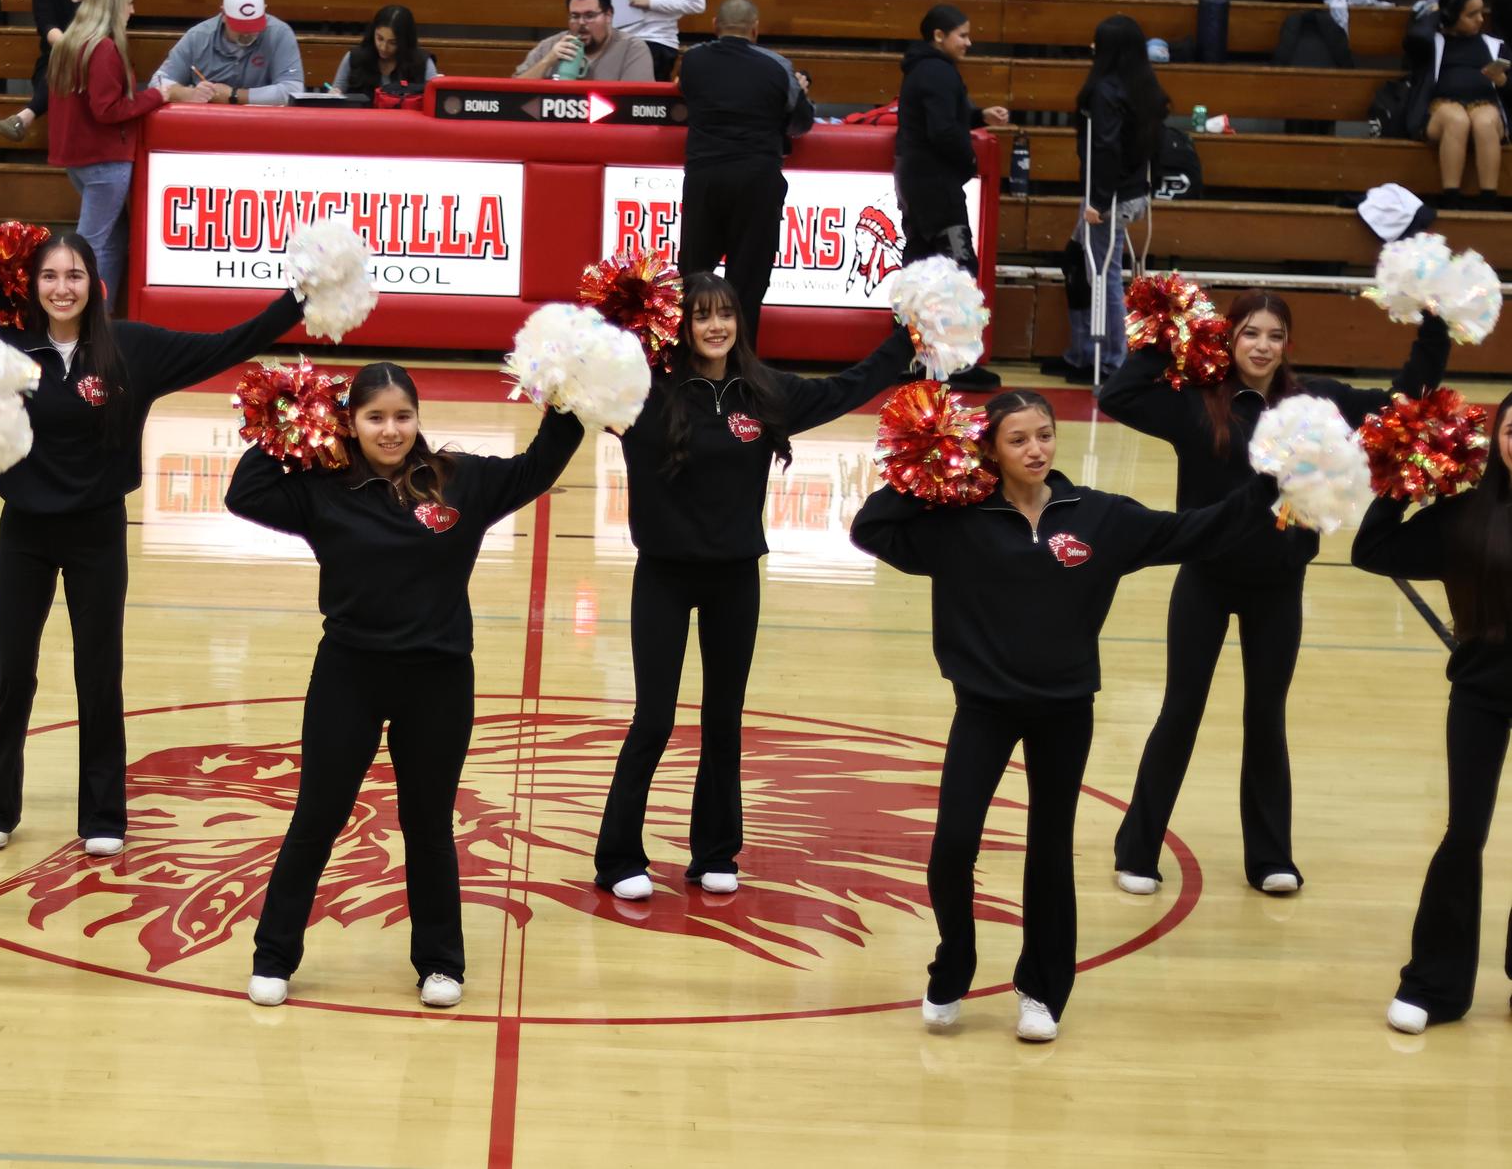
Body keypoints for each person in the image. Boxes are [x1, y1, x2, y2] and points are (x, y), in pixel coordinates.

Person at [851, 389, 1277, 1042]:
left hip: (1065, 709)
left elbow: (1195, 530)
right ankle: (955, 961)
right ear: (988, 449)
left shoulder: (1097, 517)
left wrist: (1270, 486)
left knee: (1049, 850)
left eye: (1044, 435)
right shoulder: (956, 520)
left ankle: (1042, 990)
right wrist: (931, 471)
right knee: (953, 844)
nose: (1036, 449)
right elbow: (870, 528)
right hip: (983, 707)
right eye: (1018, 439)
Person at [0, 235, 305, 856]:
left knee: (99, 674)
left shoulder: (132, 348)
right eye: (47, 277)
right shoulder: (2, 350)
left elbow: (232, 343)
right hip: (24, 532)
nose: (62, 288)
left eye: (74, 275)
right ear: (31, 285)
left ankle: (102, 815)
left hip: (97, 533)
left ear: (96, 282)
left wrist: (296, 299)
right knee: (14, 671)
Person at [223, 364, 586, 1010]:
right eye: (374, 417)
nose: (390, 430)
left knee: (428, 822)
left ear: (418, 418)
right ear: (349, 422)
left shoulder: (460, 480)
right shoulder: (322, 486)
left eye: (402, 416)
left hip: (439, 678)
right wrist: (286, 420)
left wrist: (568, 401)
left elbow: (539, 465)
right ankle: (274, 956)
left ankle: (441, 962)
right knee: (318, 817)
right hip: (349, 675)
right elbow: (245, 493)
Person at [1105, 297, 1452, 898]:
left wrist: (1434, 329)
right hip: (1205, 580)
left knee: (1266, 716)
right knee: (1180, 711)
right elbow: (1118, 397)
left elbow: (1404, 398)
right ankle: (1138, 850)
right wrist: (1162, 334)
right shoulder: (1198, 403)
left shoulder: (1319, 402)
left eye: (1274, 335)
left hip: (1279, 585)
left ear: (1287, 343)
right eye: (1249, 334)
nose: (1262, 346)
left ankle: (1269, 856)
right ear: (1229, 339)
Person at [594, 274, 918, 899]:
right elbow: (568, 388)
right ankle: (618, 858)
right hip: (662, 574)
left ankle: (715, 849)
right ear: (680, 324)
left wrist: (907, 336)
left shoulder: (767, 391)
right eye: (701, 316)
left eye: (726, 314)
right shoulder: (638, 394)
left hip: (736, 576)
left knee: (723, 717)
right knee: (654, 718)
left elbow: (849, 387)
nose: (715, 327)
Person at [1353, 391, 1512, 1034]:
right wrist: (1401, 479)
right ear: (1497, 437)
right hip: (1479, 690)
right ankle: (1436, 984)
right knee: (1463, 833)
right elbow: (1373, 550)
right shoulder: (1463, 515)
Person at [46, 0, 212, 308]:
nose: (133, 10)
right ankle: (66, 317)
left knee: (112, 239)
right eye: (129, 3)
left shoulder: (70, 43)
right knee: (88, 246)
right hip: (105, 160)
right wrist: (157, 96)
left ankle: (98, 320)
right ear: (113, 6)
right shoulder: (104, 48)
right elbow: (107, 110)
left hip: (77, 159)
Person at [676, 0, 813, 355]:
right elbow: (801, 123)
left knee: (694, 272)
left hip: (705, 174)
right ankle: (739, 366)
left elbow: (685, 95)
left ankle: (688, 357)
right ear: (755, 30)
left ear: (715, 26)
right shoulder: (776, 67)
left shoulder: (693, 61)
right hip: (757, 178)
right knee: (748, 279)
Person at [1044, 14, 1166, 386]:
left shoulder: (1106, 91)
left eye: (1098, 42)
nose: (1092, 48)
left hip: (1109, 197)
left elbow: (1105, 148)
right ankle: (1082, 354)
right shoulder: (1145, 88)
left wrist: (1097, 200)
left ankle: (1115, 361)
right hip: (1132, 193)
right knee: (1077, 260)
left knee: (1105, 275)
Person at [895, 5, 1009, 391]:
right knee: (958, 269)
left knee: (920, 267)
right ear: (939, 36)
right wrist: (970, 159)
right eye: (962, 34)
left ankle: (912, 358)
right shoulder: (938, 72)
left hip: (917, 180)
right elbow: (943, 131)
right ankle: (957, 365)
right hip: (935, 183)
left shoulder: (923, 69)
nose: (969, 42)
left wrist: (977, 116)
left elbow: (942, 118)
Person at [1404, 0, 1507, 210]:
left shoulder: (1493, 45)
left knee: (1484, 120)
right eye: (1471, 15)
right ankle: (1451, 197)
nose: (1480, 19)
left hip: (1485, 107)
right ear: (1451, 17)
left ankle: (1489, 198)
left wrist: (1503, 81)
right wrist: (1437, 14)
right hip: (1441, 111)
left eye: (1481, 12)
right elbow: (1415, 35)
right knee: (1457, 119)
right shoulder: (1432, 43)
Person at [147, 0, 304, 107]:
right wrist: (188, 94)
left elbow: (292, 90)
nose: (247, 34)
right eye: (240, 27)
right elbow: (157, 83)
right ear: (223, 15)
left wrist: (233, 95)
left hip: (263, 124)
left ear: (264, 10)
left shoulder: (279, 33)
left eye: (254, 27)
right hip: (207, 124)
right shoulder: (199, 36)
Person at [0, 0, 76, 143]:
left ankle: (24, 118)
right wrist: (71, 50)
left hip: (92, 57)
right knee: (60, 66)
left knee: (67, 68)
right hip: (55, 57)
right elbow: (48, 26)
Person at [515, 0, 655, 82]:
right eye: (575, 16)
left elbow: (636, 103)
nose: (581, 23)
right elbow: (514, 92)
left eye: (590, 16)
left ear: (608, 15)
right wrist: (548, 61)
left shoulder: (632, 49)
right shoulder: (550, 46)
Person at [330, 4, 439, 106]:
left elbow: (436, 103)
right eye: (379, 38)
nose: (383, 47)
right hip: (362, 123)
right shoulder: (354, 57)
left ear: (405, 41)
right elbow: (336, 94)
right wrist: (334, 95)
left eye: (393, 43)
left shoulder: (422, 63)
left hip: (406, 125)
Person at [613, 0, 705, 81]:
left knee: (644, 96)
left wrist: (651, 1)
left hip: (654, 40)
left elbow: (696, 3)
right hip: (613, 40)